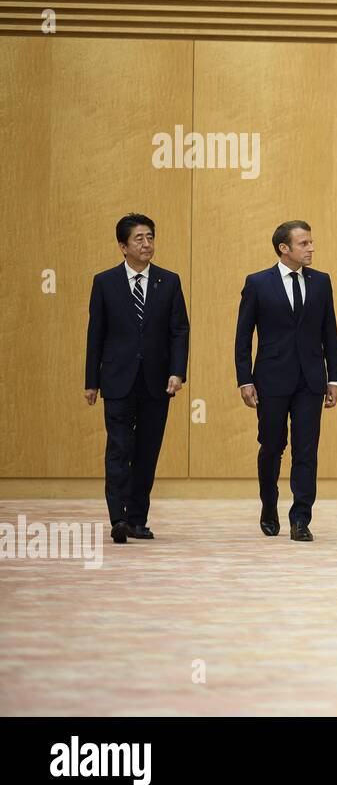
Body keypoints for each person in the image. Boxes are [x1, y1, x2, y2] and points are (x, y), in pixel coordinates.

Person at [235, 220, 337, 542]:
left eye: (311, 243)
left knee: (306, 450)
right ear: (284, 248)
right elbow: (243, 337)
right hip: (270, 379)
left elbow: (330, 333)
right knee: (271, 446)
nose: (311, 249)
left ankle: (301, 519)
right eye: (304, 243)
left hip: (310, 380)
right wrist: (245, 380)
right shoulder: (257, 283)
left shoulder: (321, 282)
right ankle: (269, 505)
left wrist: (334, 378)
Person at [84, 213, 189, 544]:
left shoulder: (169, 281)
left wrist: (177, 371)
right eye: (139, 239)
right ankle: (117, 518)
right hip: (117, 379)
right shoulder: (105, 282)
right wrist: (91, 380)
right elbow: (95, 334)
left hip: (157, 381)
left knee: (146, 451)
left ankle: (137, 519)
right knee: (119, 448)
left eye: (150, 237)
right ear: (123, 246)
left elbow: (179, 330)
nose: (147, 244)